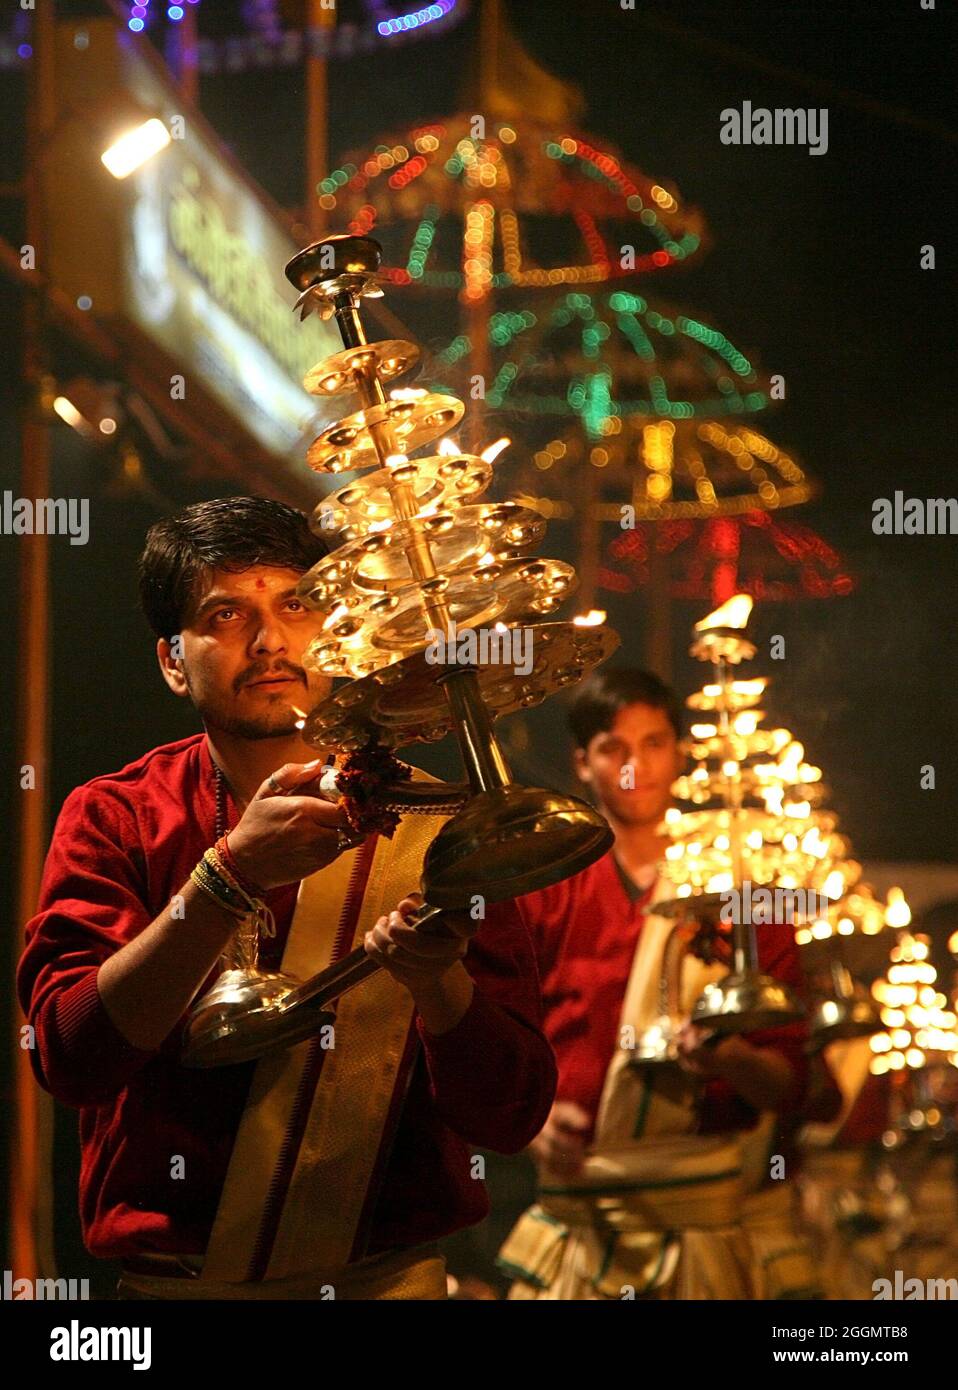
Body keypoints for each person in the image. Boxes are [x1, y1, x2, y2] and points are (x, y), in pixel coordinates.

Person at [18, 496, 556, 1301]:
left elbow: (511, 1116)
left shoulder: (442, 826)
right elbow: (70, 1056)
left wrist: (438, 985)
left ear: (338, 626)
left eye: (296, 604)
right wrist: (227, 877)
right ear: (172, 661)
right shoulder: (117, 816)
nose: (269, 641)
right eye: (225, 614)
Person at [500, 667, 830, 1300]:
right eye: (613, 748)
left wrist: (728, 1057)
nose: (635, 766)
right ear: (582, 764)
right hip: (580, 1214)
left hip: (704, 1227)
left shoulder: (743, 891)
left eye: (653, 743)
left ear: (680, 754)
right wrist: (532, 1125)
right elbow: (492, 1046)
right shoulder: (541, 884)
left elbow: (795, 1085)